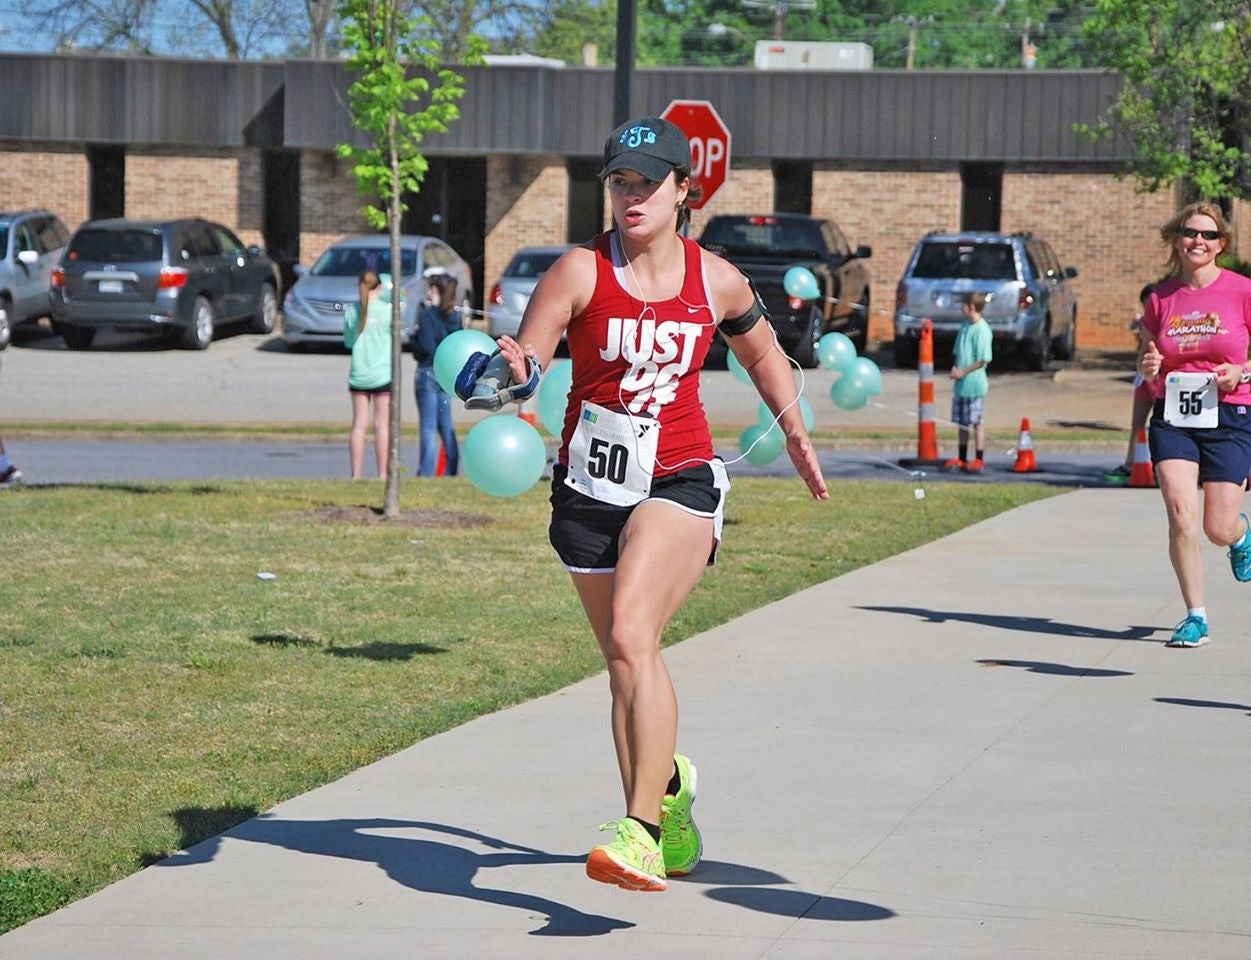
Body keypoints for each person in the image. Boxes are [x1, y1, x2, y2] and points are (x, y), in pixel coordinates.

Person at [474, 116, 827, 893]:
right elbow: (529, 363)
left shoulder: (715, 280)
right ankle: (668, 794)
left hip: (679, 478)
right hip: (590, 489)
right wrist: (508, 374)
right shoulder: (578, 271)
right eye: (619, 182)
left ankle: (636, 831)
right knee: (623, 662)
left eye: (647, 182)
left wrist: (795, 432)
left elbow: (762, 352)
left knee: (634, 632)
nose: (631, 196)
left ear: (682, 190)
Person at [1137, 201, 1251, 648]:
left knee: (1217, 528)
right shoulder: (1160, 298)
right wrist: (1148, 365)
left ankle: (1240, 536)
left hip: (1230, 414)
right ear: (1177, 240)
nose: (1197, 241)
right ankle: (1195, 616)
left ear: (1222, 244)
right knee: (1181, 515)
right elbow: (1148, 355)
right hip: (1174, 416)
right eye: (1189, 233)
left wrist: (1241, 372)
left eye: (1208, 235)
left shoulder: (1242, 291)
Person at [342, 269, 392, 479]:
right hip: (382, 375)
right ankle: (382, 474)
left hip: (359, 374)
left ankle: (356, 474)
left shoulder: (352, 311)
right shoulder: (387, 312)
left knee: (359, 424)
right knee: (382, 426)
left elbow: (347, 341)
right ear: (379, 287)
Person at [412, 273, 461, 477]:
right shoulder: (454, 317)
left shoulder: (427, 315)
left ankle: (426, 472)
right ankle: (451, 468)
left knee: (429, 426)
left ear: (435, 290)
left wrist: (414, 337)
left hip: (428, 371)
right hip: (446, 373)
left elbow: (426, 346)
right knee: (446, 424)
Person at [944, 291, 993, 474]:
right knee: (962, 423)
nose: (961, 308)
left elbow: (982, 359)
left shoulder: (982, 329)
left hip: (974, 384)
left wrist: (963, 372)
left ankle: (979, 458)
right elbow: (958, 351)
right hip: (961, 386)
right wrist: (955, 368)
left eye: (963, 305)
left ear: (971, 307)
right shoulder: (965, 326)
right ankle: (962, 457)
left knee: (977, 422)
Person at [1111, 283, 1157, 477]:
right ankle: (1130, 463)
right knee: (1137, 423)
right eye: (1146, 302)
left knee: (1163, 422)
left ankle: (1160, 466)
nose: (1149, 305)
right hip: (1143, 377)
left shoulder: (1166, 318)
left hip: (1158, 377)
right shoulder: (1144, 320)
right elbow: (1133, 329)